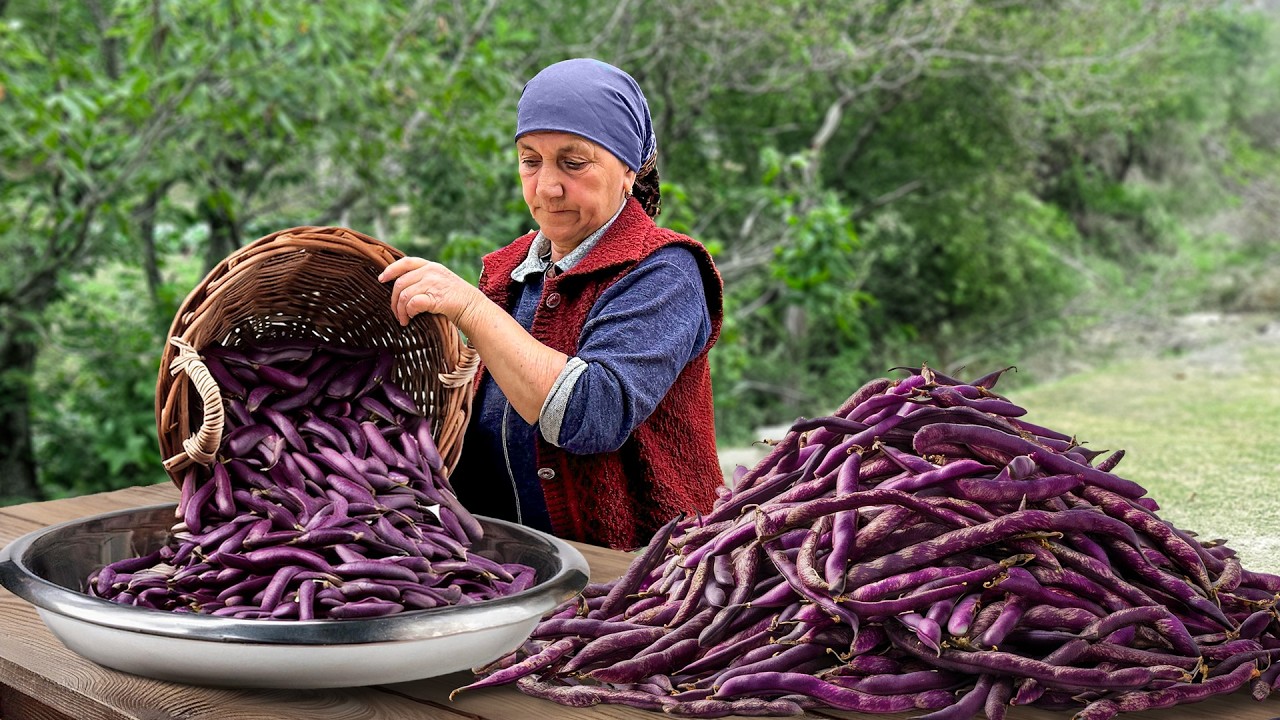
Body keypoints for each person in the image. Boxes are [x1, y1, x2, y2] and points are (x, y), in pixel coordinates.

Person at [379, 58, 724, 550]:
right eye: (530, 159)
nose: (547, 187)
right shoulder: (510, 271)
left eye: (573, 162)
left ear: (628, 170)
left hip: (641, 577)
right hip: (509, 568)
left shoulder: (665, 272)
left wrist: (471, 310)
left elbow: (590, 416)